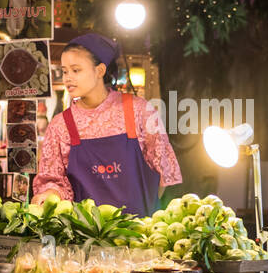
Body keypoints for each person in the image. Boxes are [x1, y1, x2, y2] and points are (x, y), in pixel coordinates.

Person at [33, 32, 181, 216]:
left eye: (76, 70)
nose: (67, 78)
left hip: (141, 235)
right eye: (64, 71)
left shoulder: (139, 111)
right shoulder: (60, 125)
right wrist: (50, 193)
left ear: (100, 70)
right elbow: (54, 180)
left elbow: (165, 174)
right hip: (85, 239)